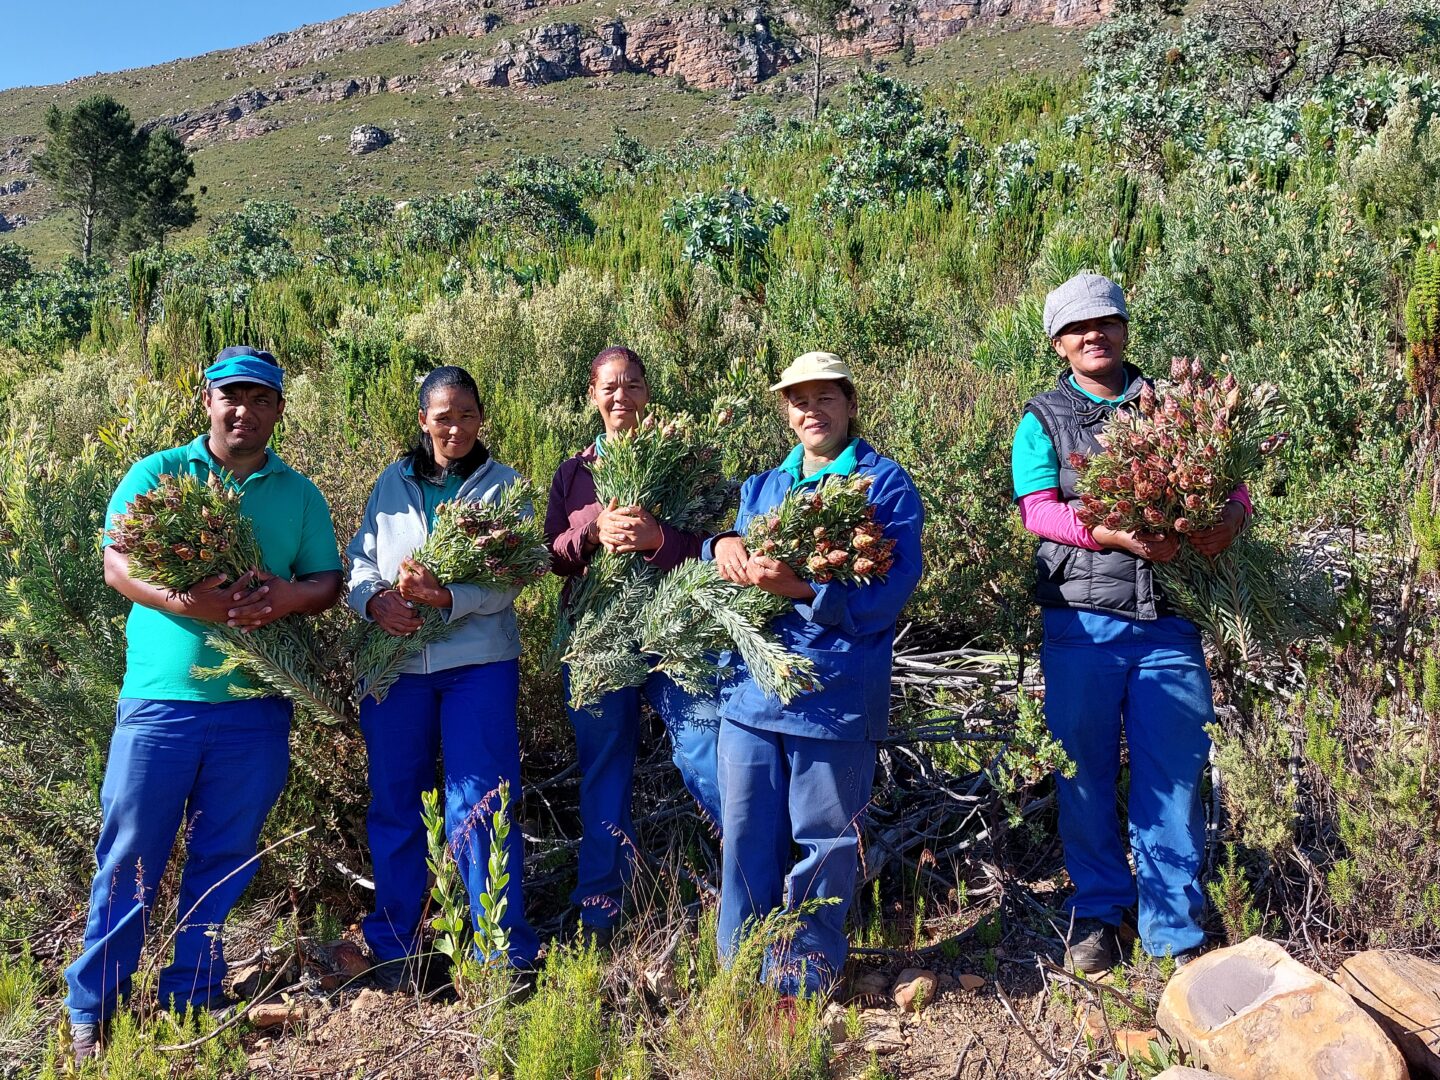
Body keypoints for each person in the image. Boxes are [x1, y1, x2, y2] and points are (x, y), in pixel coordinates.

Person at [65, 346, 343, 1061]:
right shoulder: (158, 474)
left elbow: (325, 582)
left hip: (254, 707)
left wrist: (287, 597)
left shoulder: (298, 494)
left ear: (278, 409)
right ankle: (95, 1008)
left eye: (260, 398)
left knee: (224, 857)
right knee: (130, 853)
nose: (244, 410)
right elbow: (116, 563)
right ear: (207, 401)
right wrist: (188, 601)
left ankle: (194, 993)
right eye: (231, 396)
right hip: (161, 704)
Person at [1011, 273, 1251, 973]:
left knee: (1173, 776)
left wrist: (1234, 516)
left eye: (1106, 321)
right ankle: (1099, 913)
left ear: (1123, 328)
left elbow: (1230, 479)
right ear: (1058, 343)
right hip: (1082, 625)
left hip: (1169, 623)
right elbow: (1038, 511)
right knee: (1083, 774)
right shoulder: (1043, 418)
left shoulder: (1173, 405)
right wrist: (1109, 534)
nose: (1094, 334)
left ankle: (1174, 931)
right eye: (1077, 327)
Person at [706, 350, 923, 997]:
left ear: (850, 404)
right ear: (786, 412)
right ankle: (739, 978)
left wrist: (803, 589)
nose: (812, 411)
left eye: (825, 397)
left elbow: (887, 594)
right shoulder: (764, 488)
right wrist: (722, 544)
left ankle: (799, 984)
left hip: (833, 699)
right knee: (744, 838)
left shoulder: (883, 486)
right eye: (799, 400)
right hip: (749, 698)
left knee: (824, 845)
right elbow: (733, 561)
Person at [346, 365, 540, 984]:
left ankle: (497, 953)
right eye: (442, 416)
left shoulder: (505, 487)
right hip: (396, 667)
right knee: (395, 803)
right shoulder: (391, 484)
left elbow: (515, 576)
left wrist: (449, 597)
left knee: (482, 804)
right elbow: (360, 561)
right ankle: (397, 947)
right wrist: (374, 601)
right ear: (422, 420)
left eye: (467, 415)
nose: (455, 428)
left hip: (478, 668)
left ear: (481, 418)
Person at [545, 345, 724, 943]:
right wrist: (591, 532)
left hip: (676, 636)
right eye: (610, 387)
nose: (621, 396)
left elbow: (713, 544)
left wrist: (658, 538)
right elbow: (552, 555)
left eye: (633, 384)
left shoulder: (685, 461)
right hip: (597, 643)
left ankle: (759, 887)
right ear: (593, 397)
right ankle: (601, 909)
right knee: (604, 770)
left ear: (648, 392)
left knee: (706, 753)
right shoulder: (573, 473)